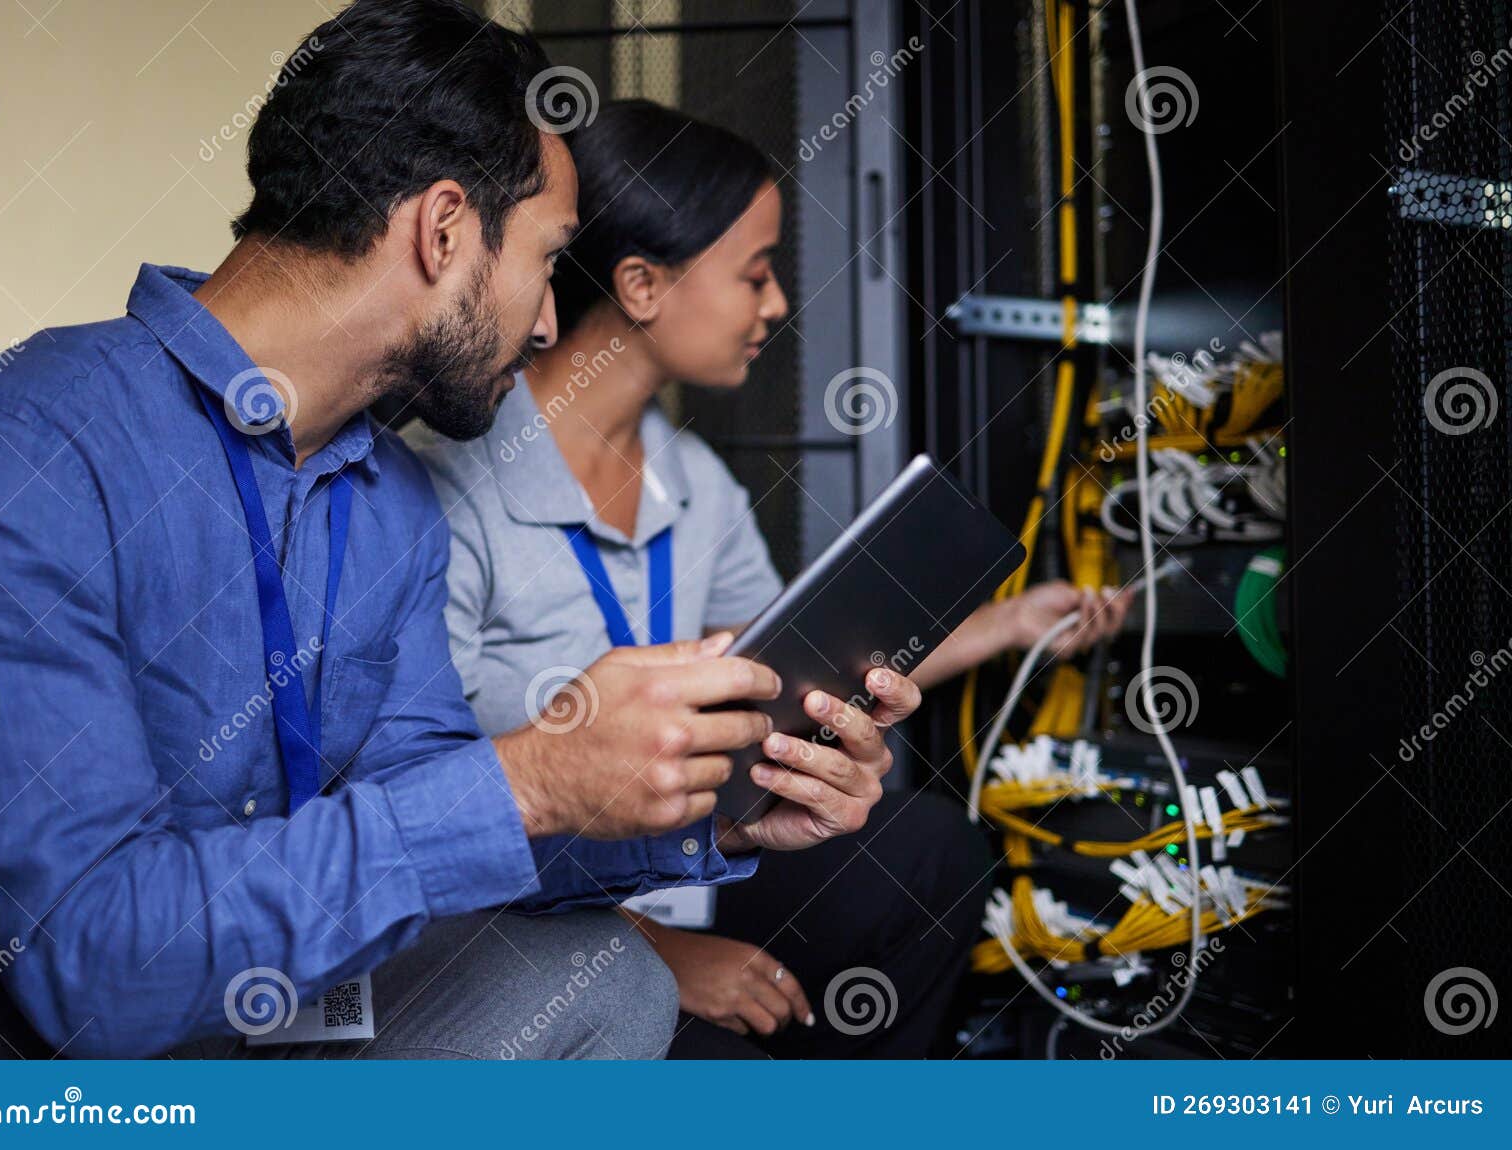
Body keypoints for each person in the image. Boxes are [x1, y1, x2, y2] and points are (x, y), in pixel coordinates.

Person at [0, 3, 913, 1061]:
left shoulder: (386, 497)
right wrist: (529, 774)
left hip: (278, 1008)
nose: (542, 326)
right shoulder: (11, 451)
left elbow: (437, 807)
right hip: (23, 1036)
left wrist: (706, 805)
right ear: (442, 229)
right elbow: (94, 967)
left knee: (602, 975)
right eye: (544, 261)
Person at [402, 100, 1130, 1057]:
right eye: (754, 273)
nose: (777, 304)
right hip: (525, 913)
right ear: (641, 285)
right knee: (720, 1052)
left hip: (692, 856)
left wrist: (1007, 626)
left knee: (929, 851)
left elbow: (799, 664)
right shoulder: (451, 482)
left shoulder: (692, 480)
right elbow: (417, 812)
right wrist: (657, 951)